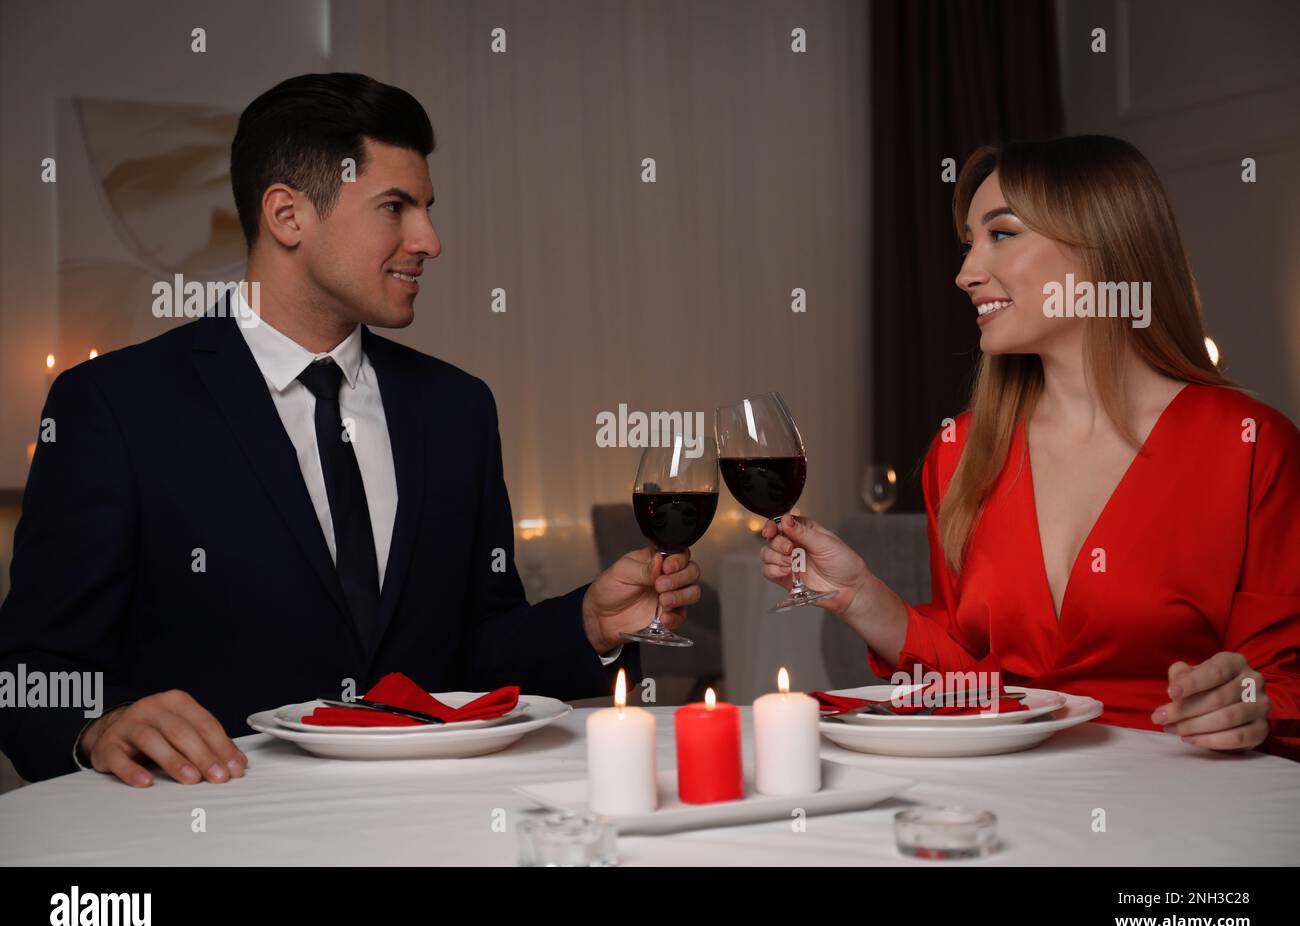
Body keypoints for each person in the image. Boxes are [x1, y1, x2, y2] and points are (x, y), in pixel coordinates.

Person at [0, 73, 701, 785]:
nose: (429, 239)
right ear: (287, 216)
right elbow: (29, 672)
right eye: (394, 207)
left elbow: (477, 652)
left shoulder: (457, 408)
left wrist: (589, 623)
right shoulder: (115, 406)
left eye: (426, 208)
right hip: (213, 836)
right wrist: (95, 726)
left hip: (436, 827)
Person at [761, 135, 1300, 760]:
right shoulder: (961, 449)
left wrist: (1247, 701)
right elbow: (974, 686)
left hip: (1183, 798)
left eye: (1002, 235)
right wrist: (861, 597)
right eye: (969, 243)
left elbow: (1283, 679)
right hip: (1012, 796)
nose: (966, 273)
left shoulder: (1249, 444)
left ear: (1101, 246)